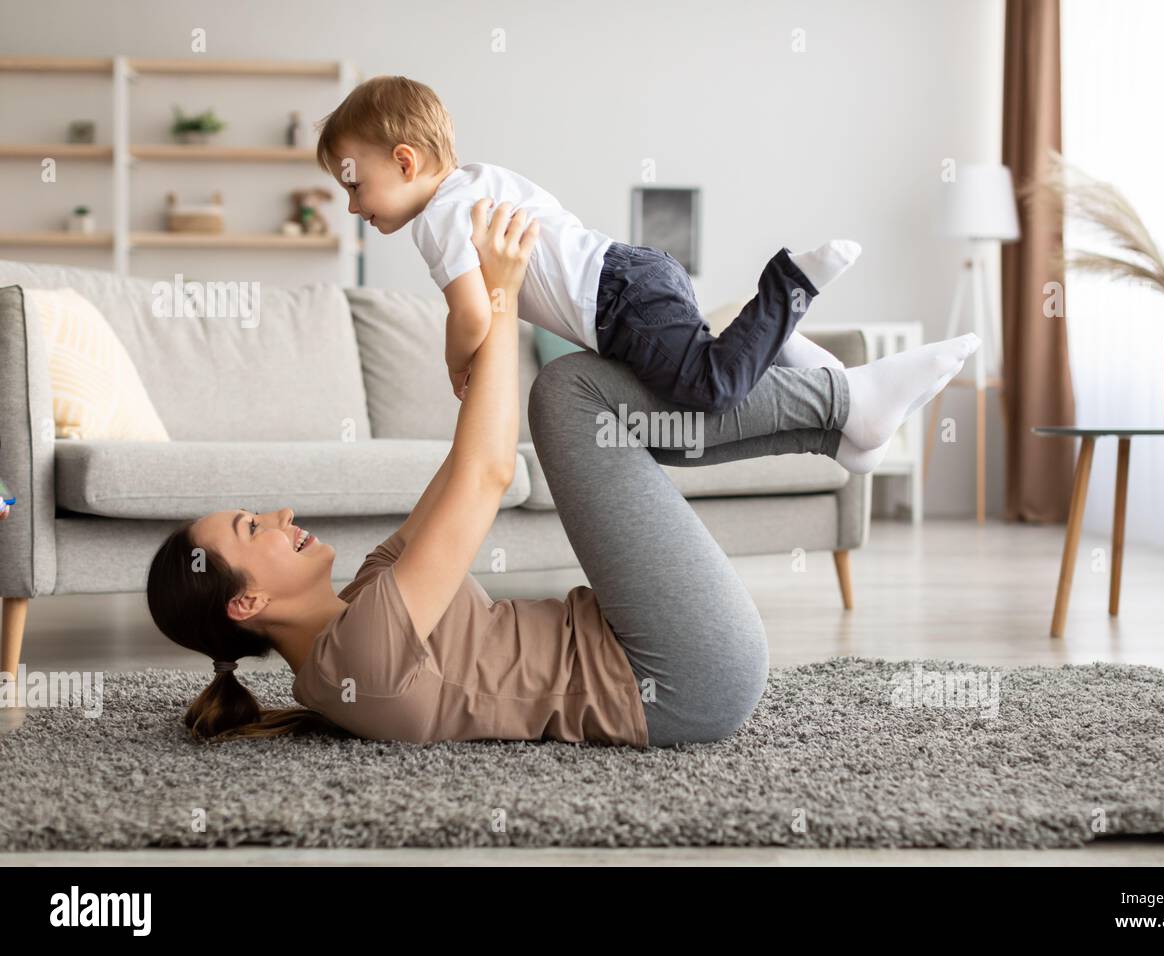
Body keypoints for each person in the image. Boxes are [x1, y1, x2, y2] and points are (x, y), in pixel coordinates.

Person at [146, 198, 976, 748]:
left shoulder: (363, 605)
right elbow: (487, 476)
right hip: (680, 676)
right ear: (245, 602)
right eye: (253, 528)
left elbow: (465, 469)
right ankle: (830, 403)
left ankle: (831, 414)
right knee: (570, 391)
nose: (278, 513)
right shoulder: (354, 658)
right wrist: (501, 298)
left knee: (584, 391)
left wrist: (469, 350)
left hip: (650, 646)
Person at [312, 75, 936, 473]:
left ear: (403, 161)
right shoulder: (478, 178)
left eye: (353, 183)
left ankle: (788, 288)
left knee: (709, 391)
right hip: (630, 279)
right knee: (669, 434)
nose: (353, 205)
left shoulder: (437, 219)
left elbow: (474, 313)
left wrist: (455, 361)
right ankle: (819, 396)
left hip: (616, 302)